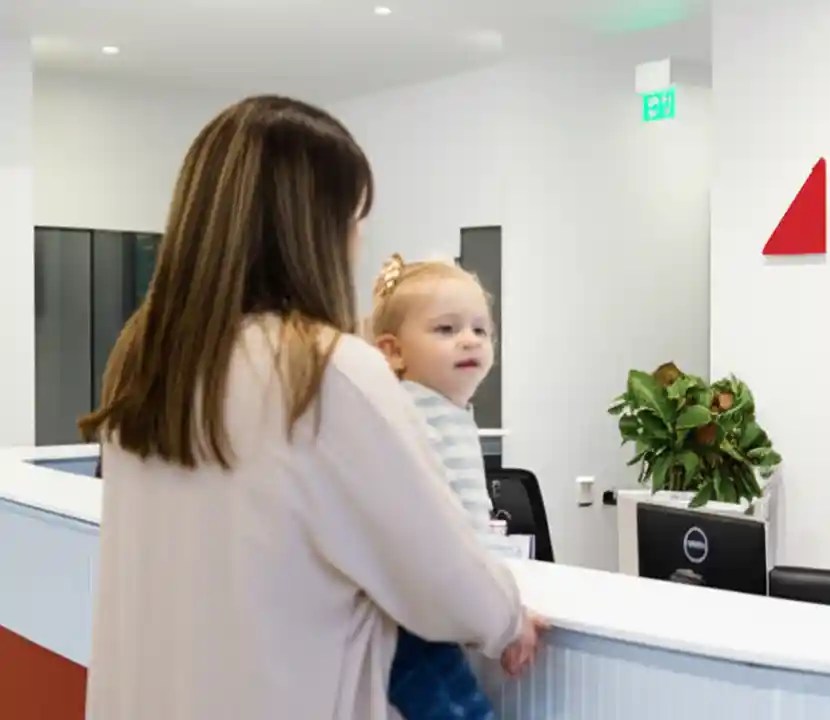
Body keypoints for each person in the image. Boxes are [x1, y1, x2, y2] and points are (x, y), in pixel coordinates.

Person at [79, 95, 544, 720]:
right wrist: (506, 616)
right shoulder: (323, 369)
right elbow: (442, 575)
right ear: (314, 230)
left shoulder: (148, 359)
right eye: (353, 220)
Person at [367, 254, 513, 720]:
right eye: (446, 330)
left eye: (480, 329)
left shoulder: (446, 413)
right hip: (415, 624)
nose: (469, 339)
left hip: (424, 615)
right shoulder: (415, 411)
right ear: (392, 351)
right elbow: (443, 529)